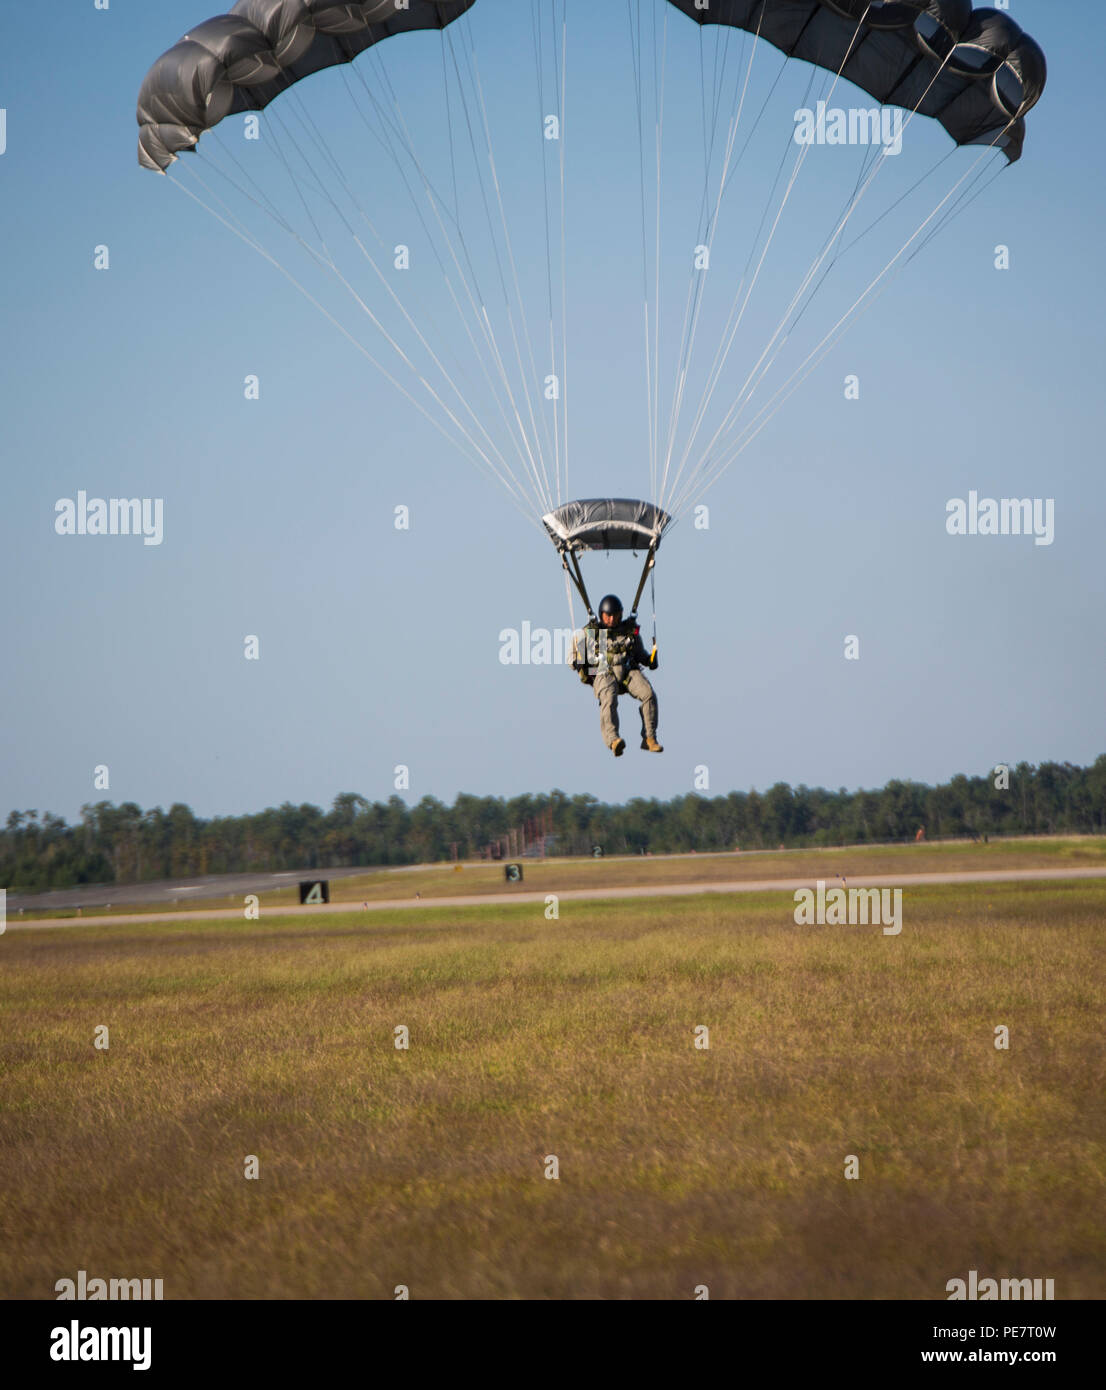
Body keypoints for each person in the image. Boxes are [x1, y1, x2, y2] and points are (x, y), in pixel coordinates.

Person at [571, 594, 662, 757]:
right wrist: (579, 662)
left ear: (620, 614)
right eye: (608, 616)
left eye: (615, 615)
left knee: (648, 694)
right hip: (602, 672)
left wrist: (650, 661)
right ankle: (613, 740)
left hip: (627, 671)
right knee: (609, 697)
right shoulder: (593, 633)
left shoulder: (629, 631)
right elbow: (573, 657)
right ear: (601, 615)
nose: (612, 619)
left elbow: (640, 654)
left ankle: (649, 738)